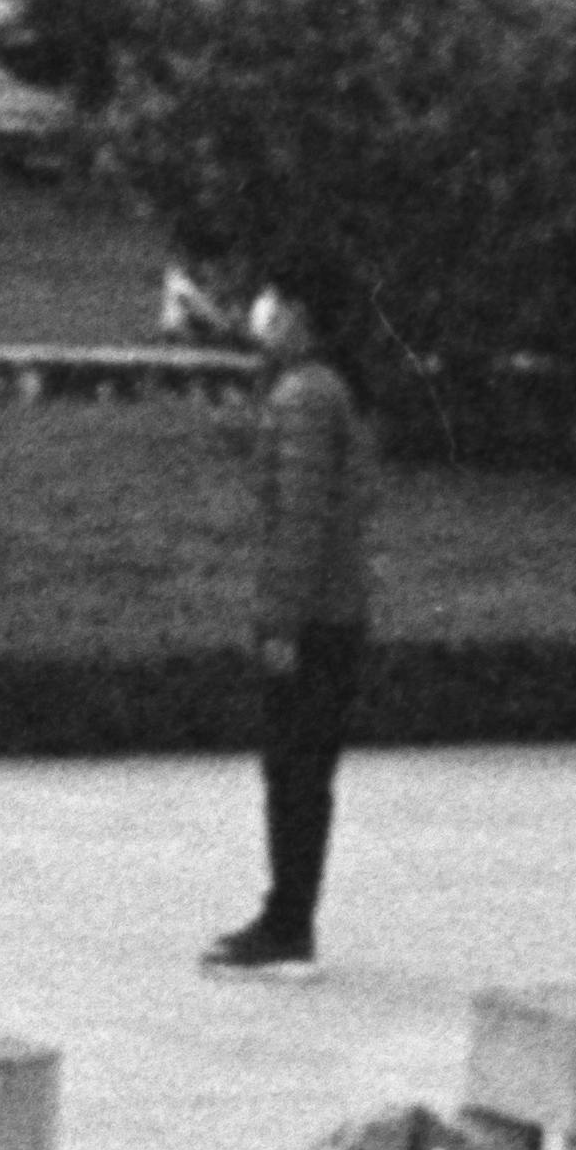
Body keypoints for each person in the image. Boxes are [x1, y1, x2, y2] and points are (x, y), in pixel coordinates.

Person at [206, 261, 375, 975]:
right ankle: (286, 916)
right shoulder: (326, 390)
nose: (263, 315)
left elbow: (299, 527)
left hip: (312, 621)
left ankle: (287, 927)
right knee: (302, 772)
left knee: (294, 771)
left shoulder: (305, 396)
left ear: (301, 316)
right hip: (335, 613)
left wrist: (279, 627)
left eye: (275, 303)